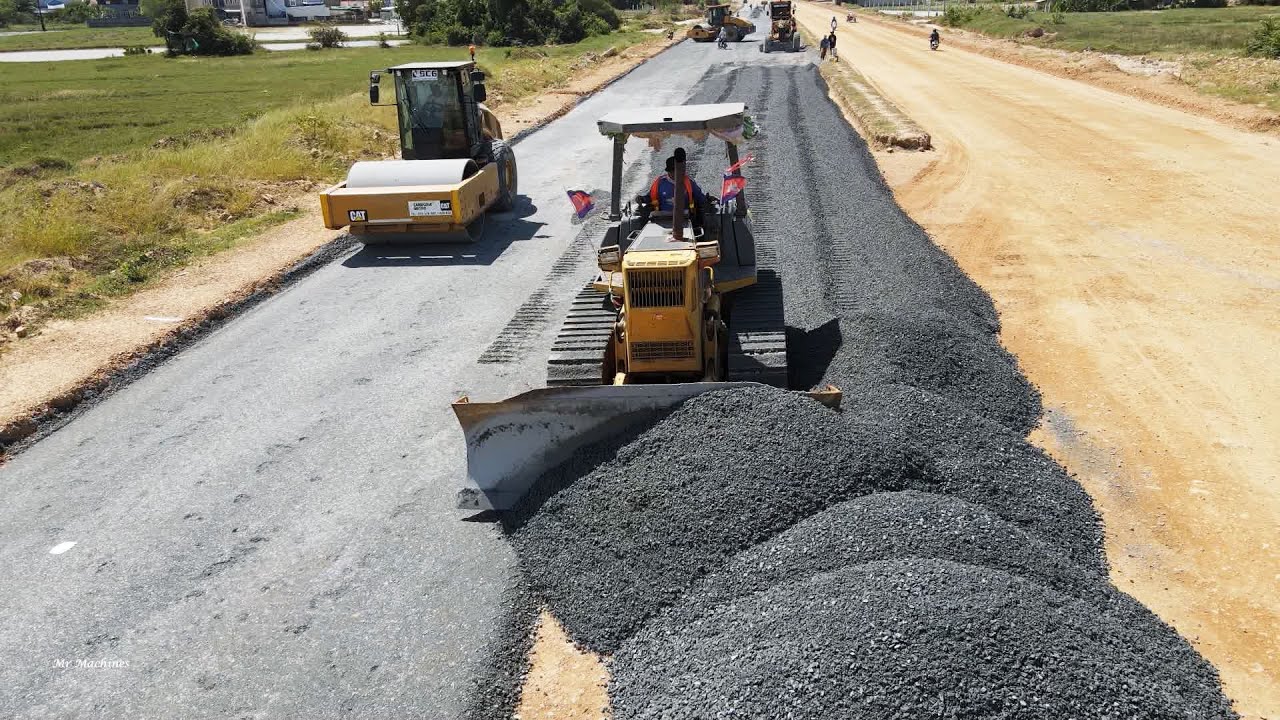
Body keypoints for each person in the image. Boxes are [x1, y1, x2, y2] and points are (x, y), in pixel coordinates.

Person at [647, 154, 707, 225]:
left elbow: (700, 197)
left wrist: (708, 199)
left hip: (684, 218)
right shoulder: (659, 183)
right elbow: (649, 197)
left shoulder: (689, 183)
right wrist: (642, 199)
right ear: (668, 171)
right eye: (673, 171)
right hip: (661, 218)